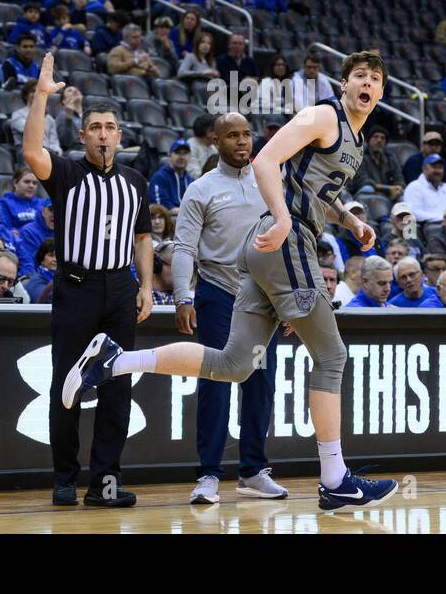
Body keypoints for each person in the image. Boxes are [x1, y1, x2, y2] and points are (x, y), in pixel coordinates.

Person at [57, 50, 400, 511]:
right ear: (343, 84)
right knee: (332, 354)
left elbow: (314, 186)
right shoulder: (323, 115)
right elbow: (266, 162)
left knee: (236, 364)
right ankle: (335, 480)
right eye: (359, 75)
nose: (367, 82)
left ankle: (115, 361)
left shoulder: (356, 138)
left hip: (273, 244)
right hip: (284, 239)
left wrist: (349, 219)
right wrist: (280, 218)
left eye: (375, 78)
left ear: (381, 91)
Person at [21, 58, 154, 509]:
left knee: (118, 386)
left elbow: (143, 236)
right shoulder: (67, 174)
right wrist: (42, 95)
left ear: (120, 135)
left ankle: (105, 483)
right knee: (67, 383)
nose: (101, 133)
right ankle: (64, 478)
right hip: (75, 286)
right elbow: (31, 153)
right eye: (94, 126)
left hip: (119, 289)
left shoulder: (136, 182)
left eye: (109, 127)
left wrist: (147, 286)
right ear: (83, 136)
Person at [170, 112, 286, 504]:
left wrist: (290, 299)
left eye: (246, 134)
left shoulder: (270, 181)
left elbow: (288, 240)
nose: (242, 141)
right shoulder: (200, 189)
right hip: (218, 294)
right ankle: (208, 475)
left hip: (263, 297)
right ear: (214, 141)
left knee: (259, 383)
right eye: (232, 135)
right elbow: (184, 247)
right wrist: (183, 296)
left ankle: (253, 470)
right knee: (216, 383)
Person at [350, 125, 404, 200]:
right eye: (375, 137)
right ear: (368, 141)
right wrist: (388, 188)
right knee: (368, 189)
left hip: (389, 194)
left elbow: (399, 179)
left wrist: (398, 188)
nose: (379, 140)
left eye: (383, 138)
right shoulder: (360, 157)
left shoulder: (391, 158)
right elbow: (362, 181)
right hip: (366, 194)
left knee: (402, 194)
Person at [149, 138, 194, 209]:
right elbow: (160, 207)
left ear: (190, 156)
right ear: (169, 155)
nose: (181, 157)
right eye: (177, 153)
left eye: (185, 153)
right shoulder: (159, 178)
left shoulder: (191, 180)